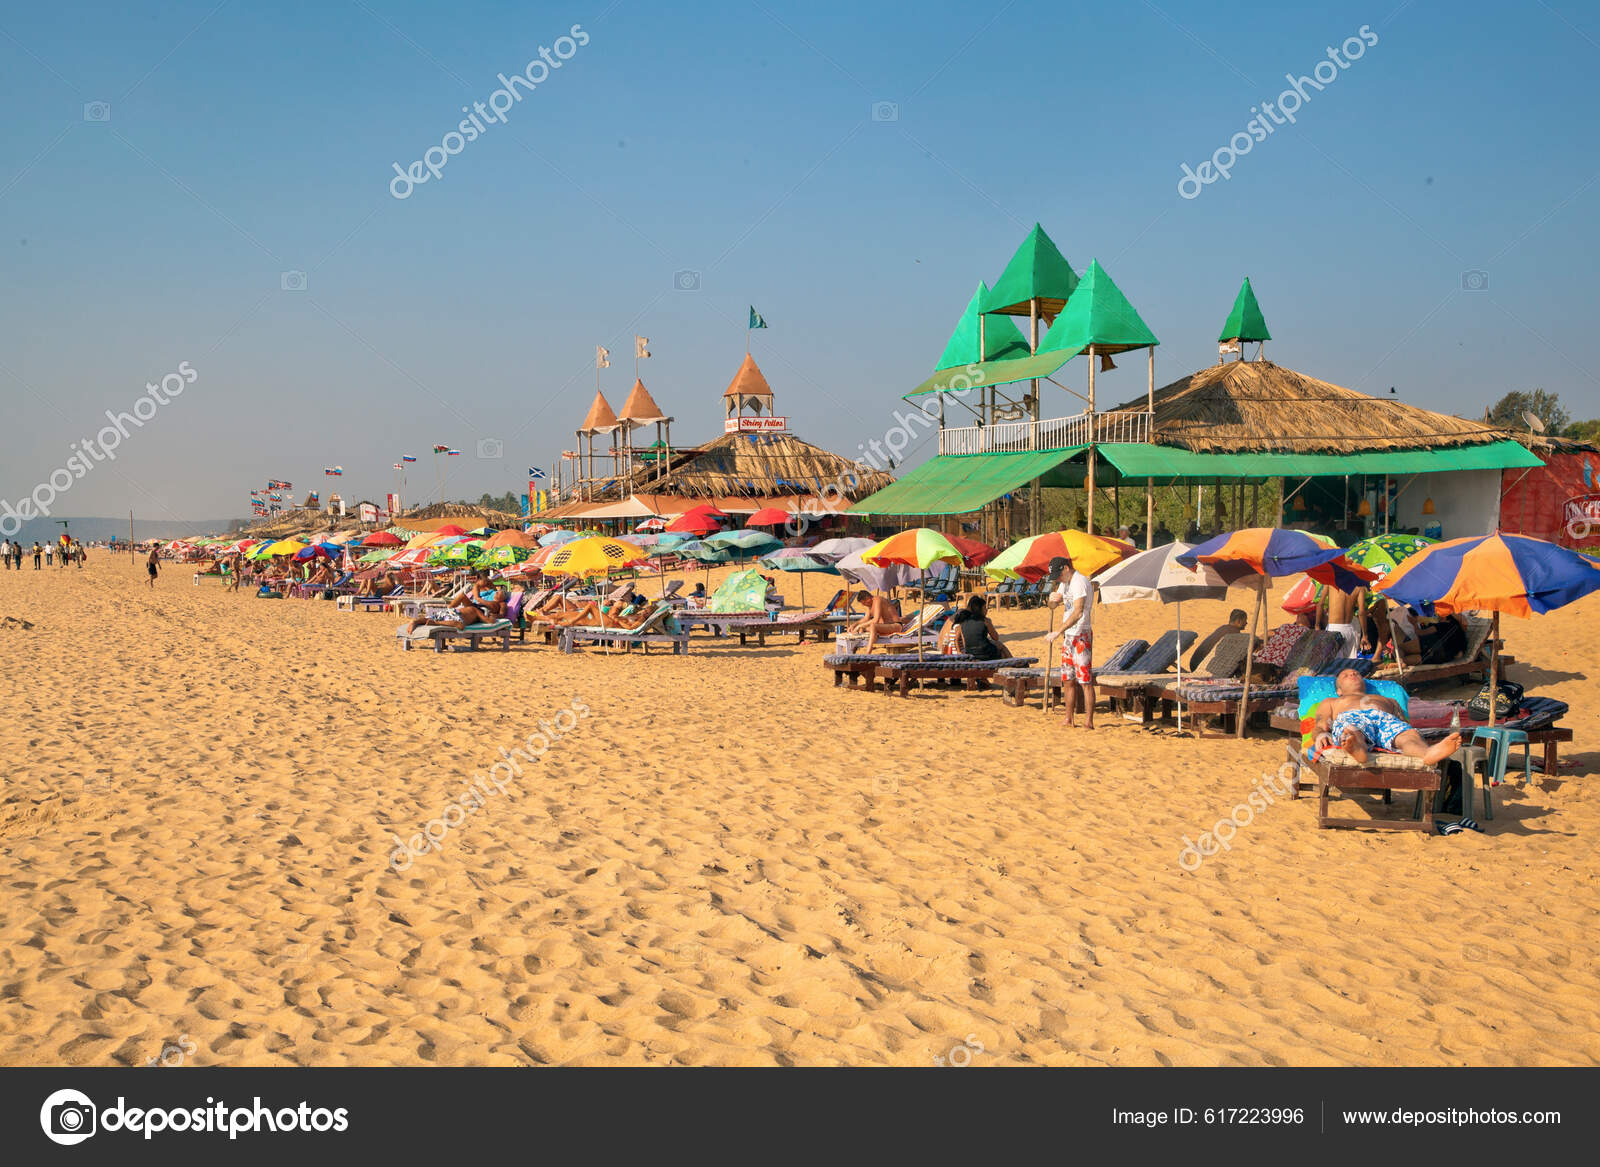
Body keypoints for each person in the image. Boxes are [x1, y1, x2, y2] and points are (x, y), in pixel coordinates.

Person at [1311, 668, 1461, 765]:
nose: (1352, 674)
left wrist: (1409, 733)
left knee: (1408, 734)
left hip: (1385, 720)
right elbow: (1320, 725)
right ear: (1339, 690)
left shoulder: (1389, 701)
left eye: (1356, 673)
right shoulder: (1332, 701)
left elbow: (1404, 723)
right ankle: (1358, 748)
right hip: (1353, 718)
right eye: (1345, 675)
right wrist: (1320, 735)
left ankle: (1427, 753)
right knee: (1352, 730)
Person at [1048, 556, 1095, 729]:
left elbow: (1078, 612)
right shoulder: (1064, 583)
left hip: (1081, 634)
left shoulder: (1079, 582)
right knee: (1067, 679)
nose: (1057, 579)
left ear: (1066, 569)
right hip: (1068, 635)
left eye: (1058, 575)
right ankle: (1069, 718)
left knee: (1085, 680)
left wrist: (1057, 631)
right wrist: (1052, 600)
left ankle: (1088, 721)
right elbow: (1053, 605)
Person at [949, 595, 1009, 661]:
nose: (987, 610)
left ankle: (1010, 662)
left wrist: (959, 651)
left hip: (970, 652)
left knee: (1001, 652)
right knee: (1000, 646)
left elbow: (964, 641)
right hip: (985, 652)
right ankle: (1014, 662)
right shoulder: (985, 621)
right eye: (984, 608)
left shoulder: (964, 621)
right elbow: (996, 637)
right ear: (979, 610)